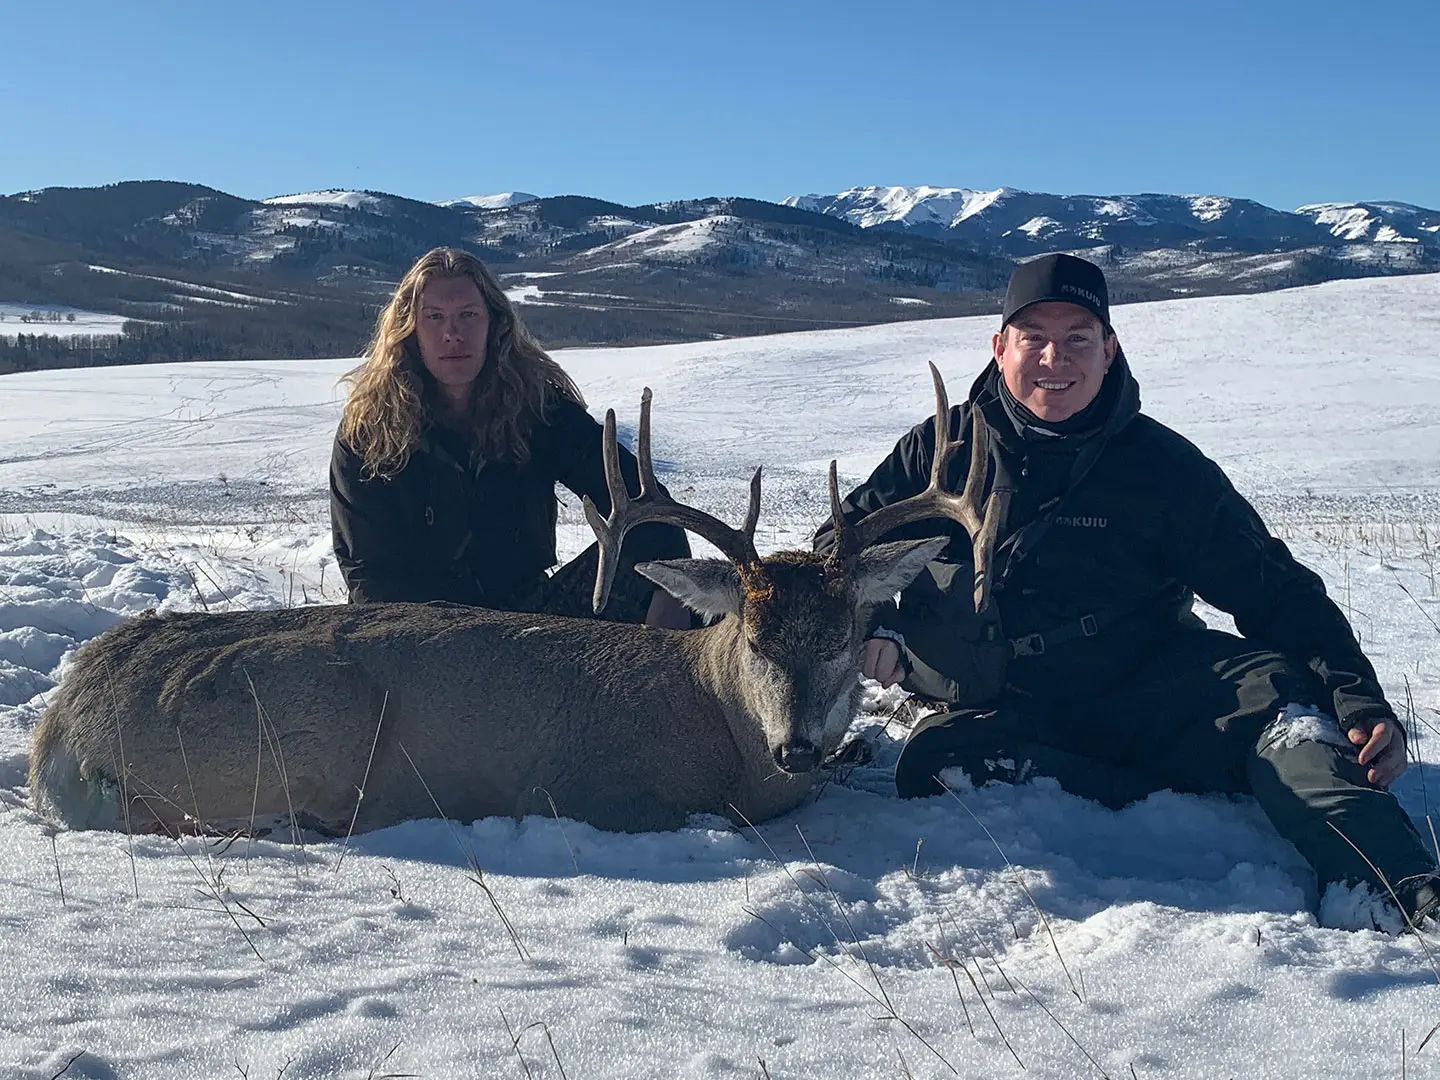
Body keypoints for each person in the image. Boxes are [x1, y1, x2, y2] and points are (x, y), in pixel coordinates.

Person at [816, 252, 1438, 928]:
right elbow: (835, 554)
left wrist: (1357, 697)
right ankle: (1170, 781)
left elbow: (1277, 591)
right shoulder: (939, 452)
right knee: (932, 766)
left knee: (1282, 698)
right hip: (1003, 706)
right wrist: (876, 623)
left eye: (1077, 338)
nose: (1056, 358)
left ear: (1108, 350)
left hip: (1148, 686)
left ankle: (1396, 885)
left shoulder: (1163, 467)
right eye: (1034, 338)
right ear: (1001, 349)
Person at [330, 247, 692, 627]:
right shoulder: (369, 431)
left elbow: (646, 504)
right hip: (421, 639)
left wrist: (670, 592)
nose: (452, 334)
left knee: (656, 553)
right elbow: (366, 576)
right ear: (410, 330)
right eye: (434, 317)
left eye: (468, 315)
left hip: (531, 624)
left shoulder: (536, 409)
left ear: (494, 323)